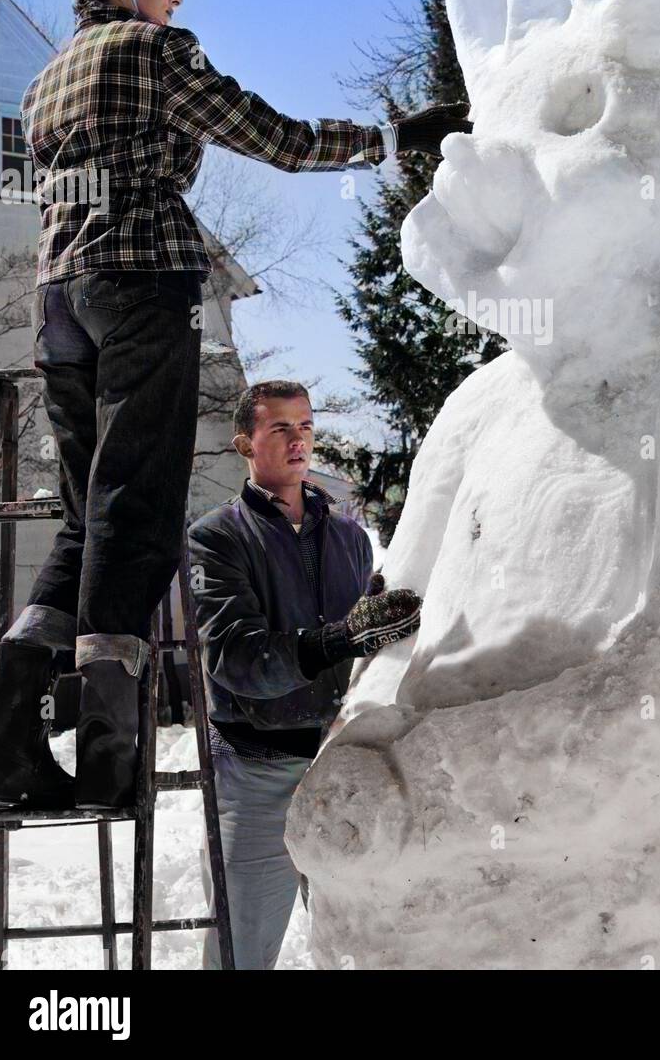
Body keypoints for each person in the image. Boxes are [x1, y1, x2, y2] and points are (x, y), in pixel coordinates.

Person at [0, 0, 464, 812]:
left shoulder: (47, 79)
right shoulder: (156, 52)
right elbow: (269, 134)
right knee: (141, 507)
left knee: (88, 517)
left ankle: (11, 740)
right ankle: (107, 752)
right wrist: (387, 142)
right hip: (140, 284)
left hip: (61, 302)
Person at [190, 380, 420, 970]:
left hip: (341, 761)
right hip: (256, 767)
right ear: (245, 442)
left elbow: (366, 647)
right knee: (240, 951)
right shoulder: (217, 537)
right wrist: (342, 637)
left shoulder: (348, 537)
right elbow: (237, 661)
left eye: (306, 427)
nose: (298, 441)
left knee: (360, 941)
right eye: (280, 429)